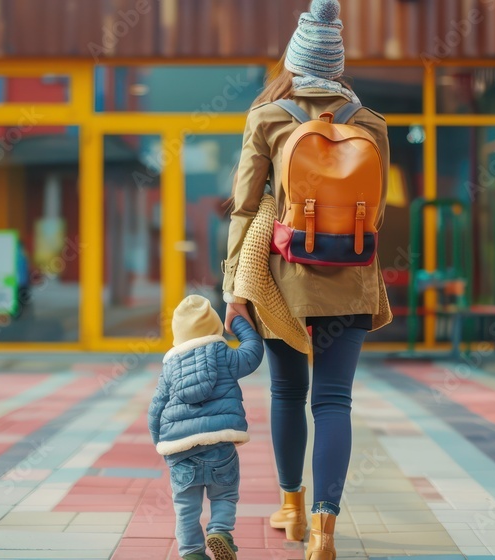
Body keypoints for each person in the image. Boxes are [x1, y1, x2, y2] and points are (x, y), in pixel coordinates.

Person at [221, 1, 391, 558]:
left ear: (293, 63)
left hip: (285, 284)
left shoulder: (268, 117)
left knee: (287, 392)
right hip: (352, 279)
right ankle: (324, 531)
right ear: (337, 66)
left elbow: (245, 210)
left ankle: (291, 509)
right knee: (334, 401)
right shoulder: (370, 125)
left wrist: (233, 286)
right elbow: (377, 215)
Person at [148, 295, 264, 560]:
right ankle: (220, 531)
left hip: (181, 452)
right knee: (225, 494)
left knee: (186, 507)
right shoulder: (222, 354)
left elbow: (155, 409)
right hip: (219, 445)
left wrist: (161, 444)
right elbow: (253, 353)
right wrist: (239, 324)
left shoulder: (170, 367)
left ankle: (191, 553)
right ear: (213, 328)